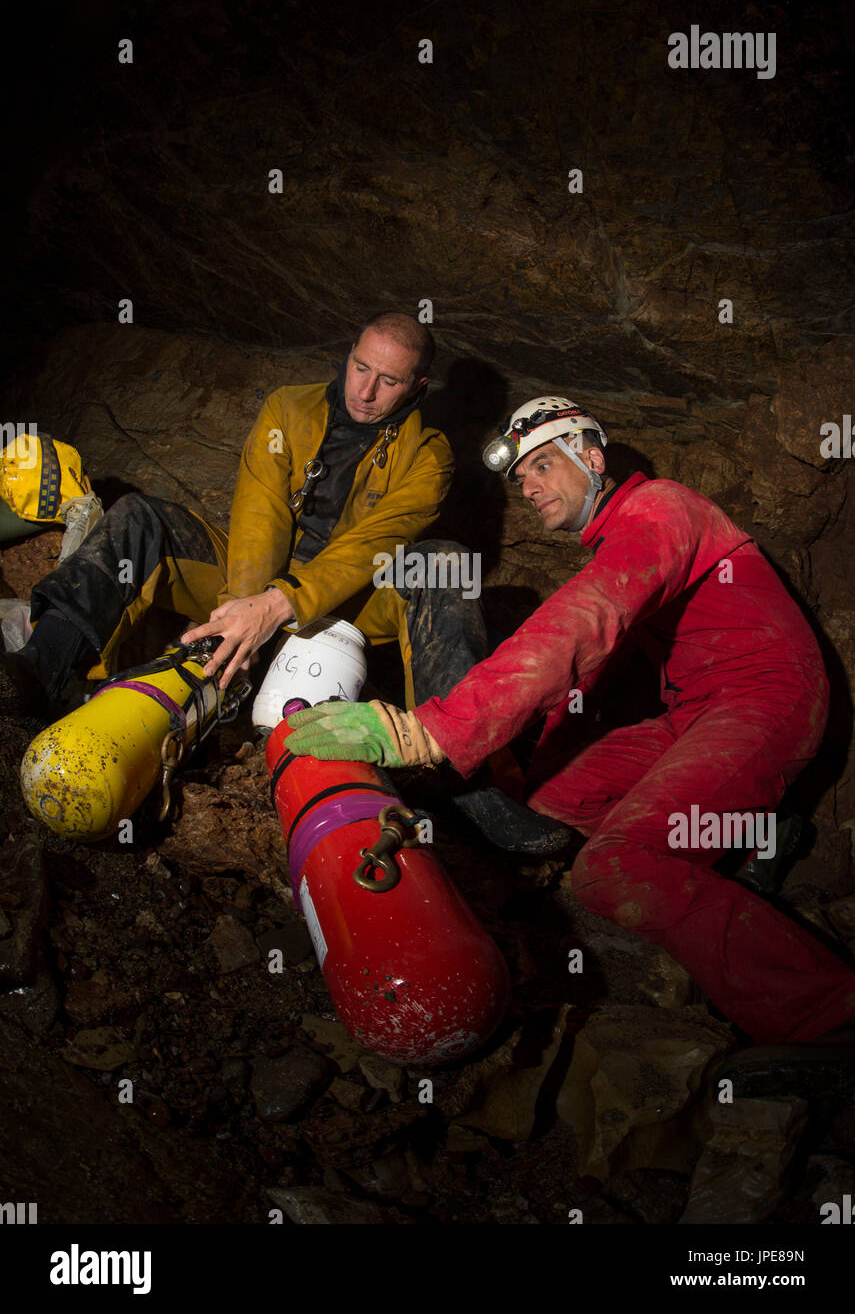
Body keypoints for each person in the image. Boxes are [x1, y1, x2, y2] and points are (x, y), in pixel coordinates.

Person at [283, 395, 855, 1081]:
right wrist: (516, 761)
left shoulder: (661, 510)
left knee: (614, 869)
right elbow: (587, 675)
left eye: (543, 465)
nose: (527, 486)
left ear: (592, 458)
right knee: (544, 804)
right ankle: (743, 840)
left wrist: (430, 728)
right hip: (692, 714)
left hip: (764, 699)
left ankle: (827, 1016)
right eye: (519, 477)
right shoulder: (622, 540)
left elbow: (582, 625)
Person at [1, 315, 567, 850]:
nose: (365, 391)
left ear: (416, 385)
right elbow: (259, 515)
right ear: (349, 356)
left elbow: (373, 546)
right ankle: (44, 663)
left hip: (352, 605)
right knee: (139, 517)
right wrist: (241, 615)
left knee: (444, 562)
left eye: (388, 380)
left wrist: (278, 606)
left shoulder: (428, 455)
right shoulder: (287, 409)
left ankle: (463, 775)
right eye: (360, 367)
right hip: (254, 585)